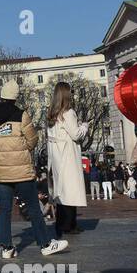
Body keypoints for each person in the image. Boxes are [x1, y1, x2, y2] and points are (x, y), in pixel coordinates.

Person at [0, 81, 64, 258]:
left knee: (4, 209)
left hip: (0, 171)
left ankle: (6, 248)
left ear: (1, 95)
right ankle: (45, 244)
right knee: (33, 207)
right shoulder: (21, 115)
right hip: (21, 171)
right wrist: (23, 147)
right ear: (15, 97)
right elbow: (33, 139)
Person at [45, 81, 88, 238]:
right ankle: (69, 224)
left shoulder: (52, 114)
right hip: (67, 155)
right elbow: (76, 134)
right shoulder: (68, 113)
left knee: (61, 191)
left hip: (56, 156)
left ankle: (64, 222)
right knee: (71, 191)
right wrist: (85, 126)